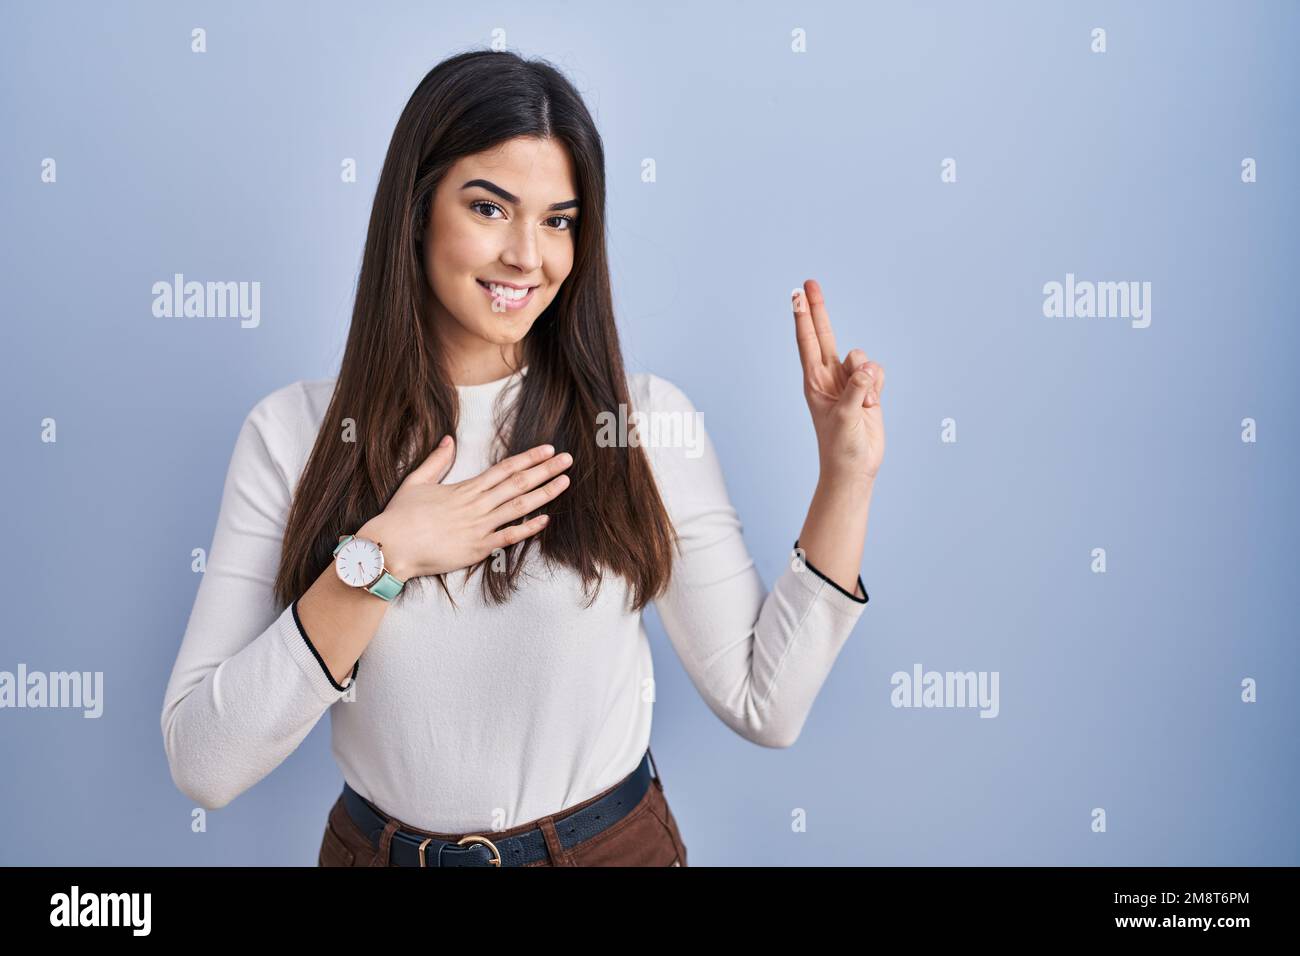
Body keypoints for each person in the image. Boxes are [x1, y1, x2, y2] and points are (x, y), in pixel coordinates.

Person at [160, 49, 886, 867]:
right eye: (489, 208)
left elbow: (767, 704)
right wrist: (382, 558)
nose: (527, 258)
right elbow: (203, 761)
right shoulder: (291, 434)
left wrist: (846, 477)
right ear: (416, 208)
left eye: (559, 220)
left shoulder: (641, 422)